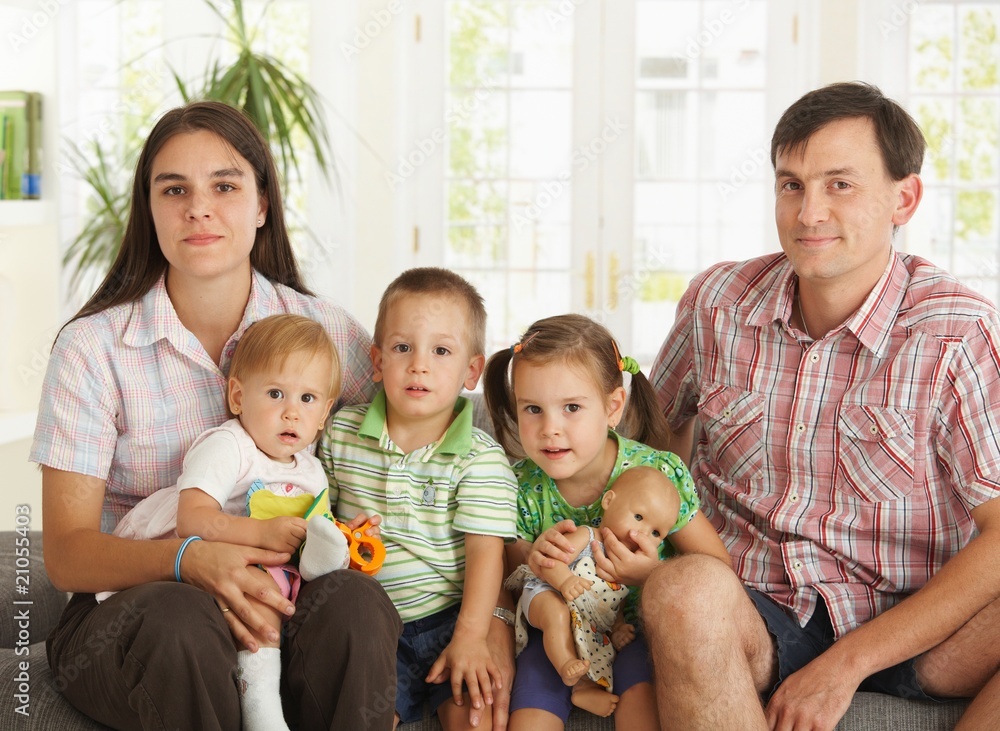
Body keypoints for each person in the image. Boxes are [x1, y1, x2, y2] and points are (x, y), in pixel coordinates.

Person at [31, 100, 400, 731]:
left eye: (224, 186)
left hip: (282, 599)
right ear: (150, 210)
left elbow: (415, 439)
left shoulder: (327, 333)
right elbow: (67, 556)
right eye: (173, 189)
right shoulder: (92, 348)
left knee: (358, 604)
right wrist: (188, 559)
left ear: (261, 206)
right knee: (180, 621)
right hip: (134, 614)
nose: (198, 207)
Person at [645, 80, 1000, 731]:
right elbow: (638, 442)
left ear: (904, 198)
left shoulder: (956, 329)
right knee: (681, 591)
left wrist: (846, 664)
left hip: (917, 624)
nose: (808, 212)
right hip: (755, 610)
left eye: (839, 184)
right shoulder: (717, 301)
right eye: (791, 184)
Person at [95, 313, 358, 731]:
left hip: (264, 569)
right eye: (275, 393)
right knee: (260, 595)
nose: (292, 413)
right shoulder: (229, 446)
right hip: (176, 563)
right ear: (237, 396)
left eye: (308, 399)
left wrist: (340, 534)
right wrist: (262, 533)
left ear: (325, 413)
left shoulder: (310, 471)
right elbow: (192, 520)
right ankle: (261, 712)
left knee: (312, 579)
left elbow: (302, 535)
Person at [482, 314, 731, 731]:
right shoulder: (520, 486)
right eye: (533, 409)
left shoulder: (656, 473)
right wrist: (533, 554)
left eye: (572, 408)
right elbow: (508, 576)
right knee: (529, 715)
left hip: (638, 631)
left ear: (613, 407)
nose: (550, 429)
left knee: (640, 704)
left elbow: (717, 571)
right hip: (553, 639)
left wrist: (653, 574)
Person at [319, 267, 519, 730]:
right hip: (372, 629)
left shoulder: (480, 457)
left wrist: (472, 635)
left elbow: (486, 553)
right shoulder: (340, 434)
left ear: (472, 370)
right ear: (377, 360)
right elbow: (318, 515)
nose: (419, 365)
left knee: (475, 717)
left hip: (450, 618)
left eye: (441, 351)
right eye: (402, 347)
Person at [504, 466, 681, 718]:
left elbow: (612, 603)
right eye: (639, 517)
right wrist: (564, 580)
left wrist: (618, 628)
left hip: (582, 618)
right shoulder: (587, 536)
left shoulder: (629, 568)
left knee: (598, 648)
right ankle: (567, 667)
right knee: (557, 615)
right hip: (545, 592)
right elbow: (549, 563)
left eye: (655, 533)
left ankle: (582, 687)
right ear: (609, 501)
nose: (641, 534)